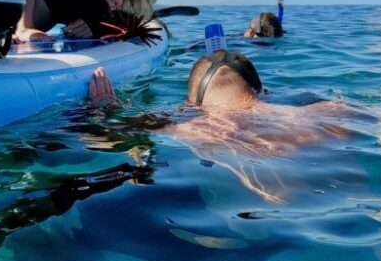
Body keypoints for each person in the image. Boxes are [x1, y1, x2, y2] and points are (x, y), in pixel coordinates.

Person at [88, 51, 351, 202]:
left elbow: (105, 139)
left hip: (277, 211)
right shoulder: (331, 111)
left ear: (191, 104)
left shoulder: (188, 125)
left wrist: (104, 109)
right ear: (262, 90)